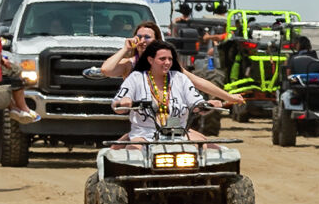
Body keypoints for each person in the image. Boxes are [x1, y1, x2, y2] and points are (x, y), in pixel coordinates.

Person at [100, 21, 234, 105]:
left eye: (147, 37)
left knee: (202, 144)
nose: (142, 40)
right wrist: (125, 48)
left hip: (168, 121)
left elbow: (196, 81)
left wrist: (228, 97)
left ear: (157, 40)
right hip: (139, 123)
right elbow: (106, 70)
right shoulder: (129, 64)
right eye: (139, 37)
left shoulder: (166, 64)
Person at [112, 41, 221, 141]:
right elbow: (117, 106)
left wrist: (207, 105)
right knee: (135, 151)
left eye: (170, 59)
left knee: (206, 147)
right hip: (144, 134)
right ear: (150, 60)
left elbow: (196, 102)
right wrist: (123, 102)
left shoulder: (180, 78)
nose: (167, 62)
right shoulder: (135, 77)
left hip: (178, 133)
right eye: (162, 59)